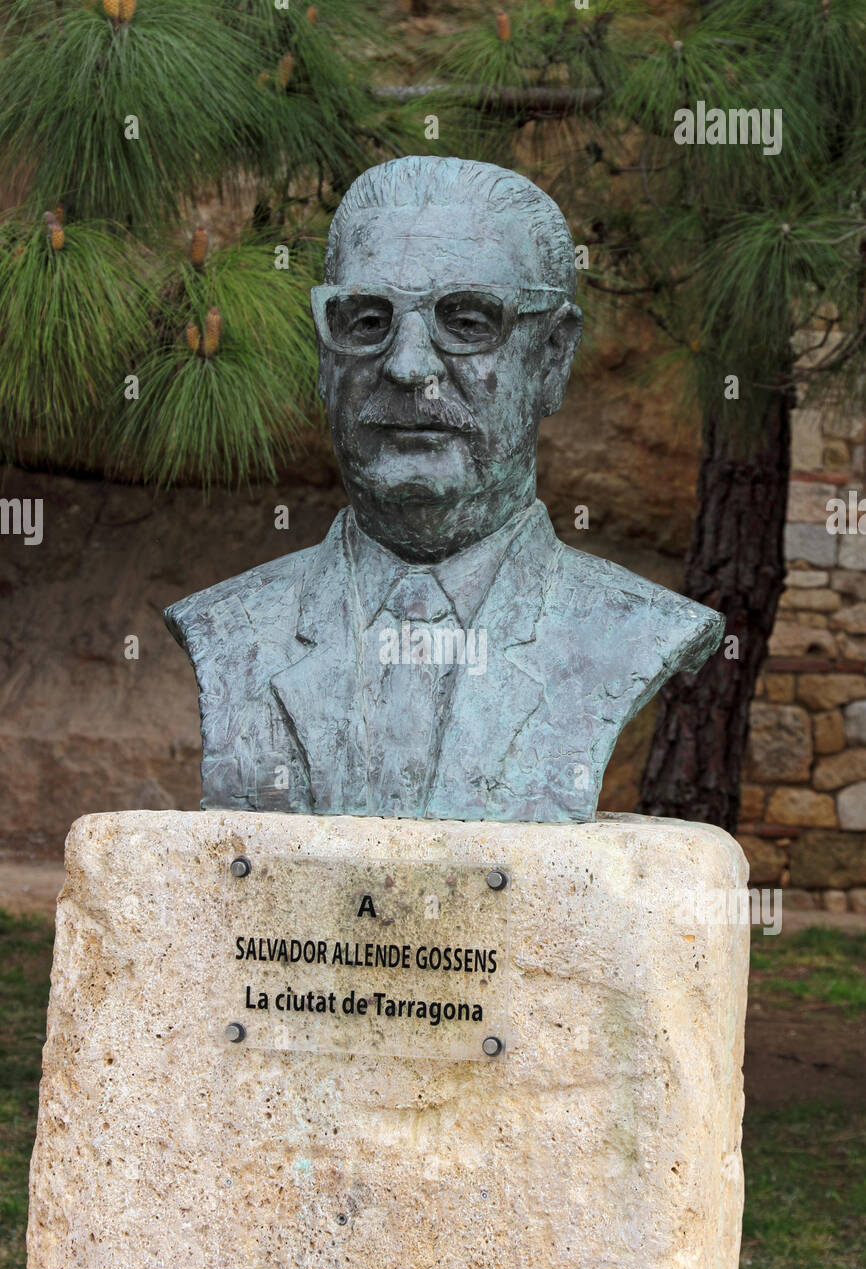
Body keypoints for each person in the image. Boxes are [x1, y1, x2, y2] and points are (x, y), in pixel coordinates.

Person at [165, 156, 722, 822]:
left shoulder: (634, 632)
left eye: (466, 322)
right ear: (325, 357)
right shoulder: (229, 629)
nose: (406, 366)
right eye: (368, 322)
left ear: (551, 358)